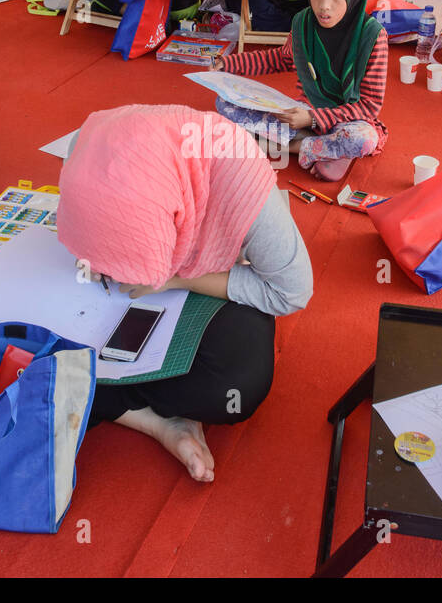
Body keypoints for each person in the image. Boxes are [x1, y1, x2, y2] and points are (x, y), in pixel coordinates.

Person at [57, 103, 312, 482]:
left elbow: (292, 292)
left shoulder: (239, 179)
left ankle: (106, 395)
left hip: (212, 282)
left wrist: (176, 279)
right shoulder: (89, 145)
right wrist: (99, 261)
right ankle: (158, 422)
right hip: (153, 289)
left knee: (237, 387)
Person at [212, 0, 386, 183]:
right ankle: (324, 150)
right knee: (225, 102)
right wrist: (229, 64)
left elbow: (369, 106)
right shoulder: (303, 22)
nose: (324, 5)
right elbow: (280, 59)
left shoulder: (373, 36)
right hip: (301, 112)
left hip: (346, 121)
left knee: (363, 139)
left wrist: (312, 119)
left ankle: (287, 146)